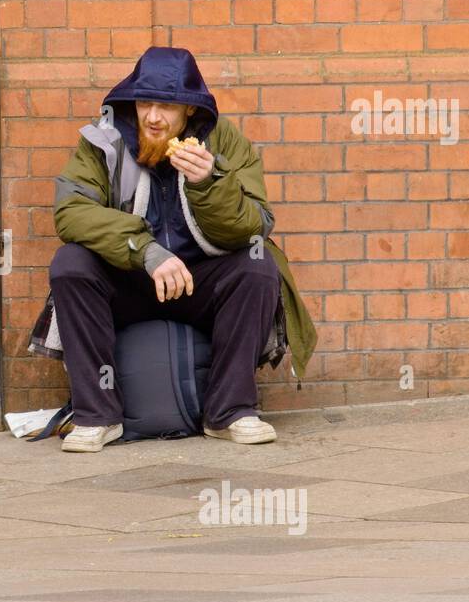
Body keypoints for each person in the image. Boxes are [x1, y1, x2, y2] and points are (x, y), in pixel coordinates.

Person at [29, 46, 317, 451]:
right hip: (129, 278)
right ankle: (98, 417)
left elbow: (256, 222)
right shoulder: (105, 139)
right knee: (71, 263)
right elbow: (71, 212)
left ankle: (229, 412)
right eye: (145, 102)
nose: (153, 117)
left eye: (167, 106)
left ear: (191, 113)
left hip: (201, 282)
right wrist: (145, 251)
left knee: (258, 263)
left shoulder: (224, 141)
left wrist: (210, 184)